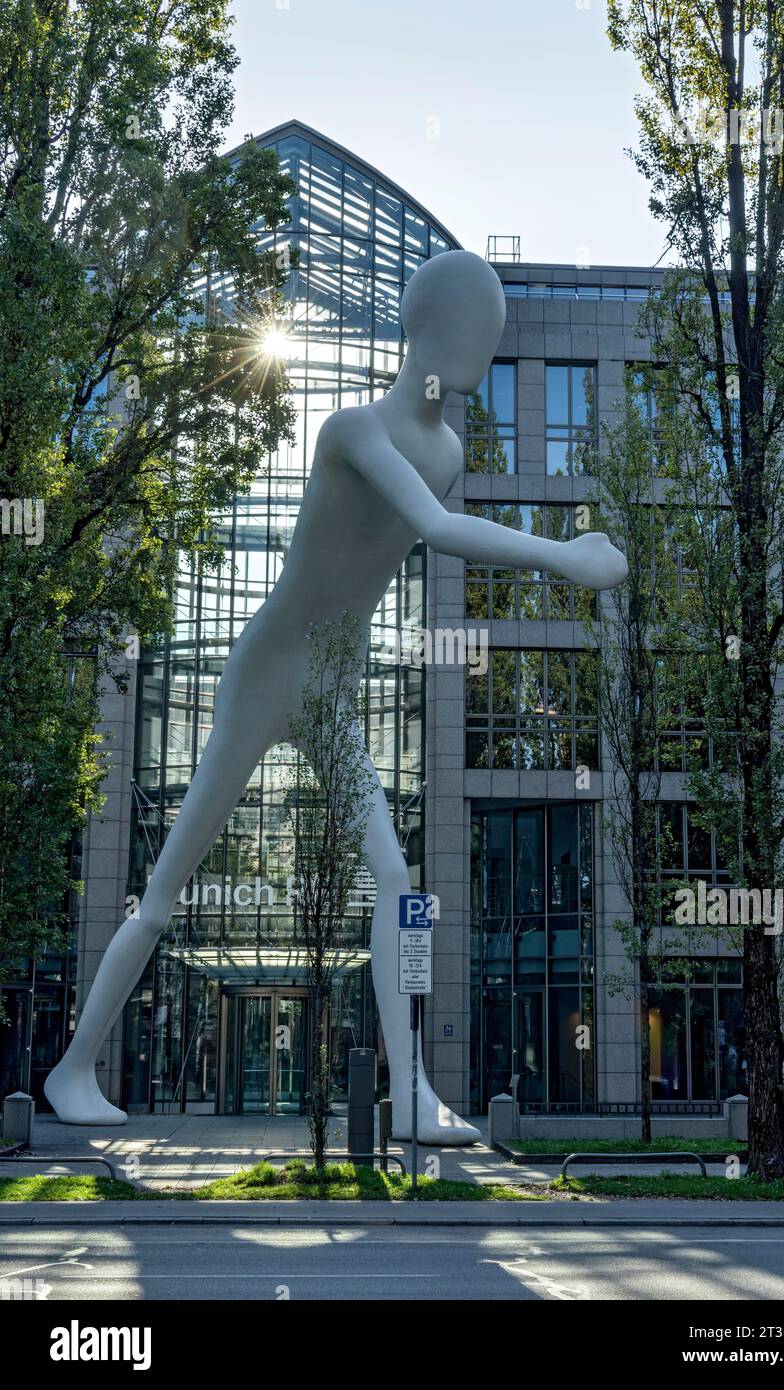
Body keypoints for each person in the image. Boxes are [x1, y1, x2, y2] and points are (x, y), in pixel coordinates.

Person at [46, 250, 627, 1142]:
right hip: (267, 672)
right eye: (472, 328)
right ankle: (74, 1067)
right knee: (164, 891)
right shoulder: (353, 430)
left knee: (395, 876)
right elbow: (434, 531)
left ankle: (413, 1096)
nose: (482, 347)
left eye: (491, 332)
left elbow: (422, 527)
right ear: (421, 328)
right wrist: (562, 558)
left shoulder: (446, 450)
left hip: (331, 691)